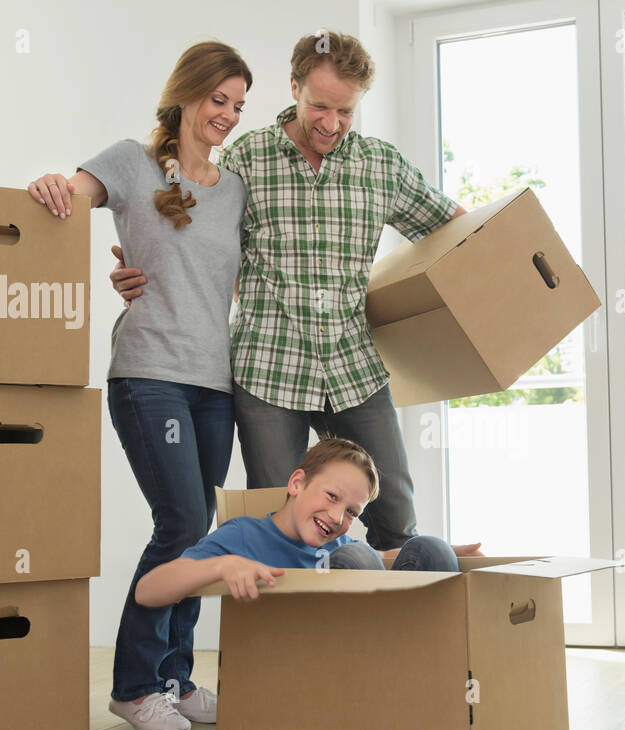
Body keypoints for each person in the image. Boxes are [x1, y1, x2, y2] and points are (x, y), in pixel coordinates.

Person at [109, 30, 481, 558]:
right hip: (268, 369)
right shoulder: (246, 159)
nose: (331, 124)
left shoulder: (381, 165)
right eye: (319, 106)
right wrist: (137, 272)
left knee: (396, 518)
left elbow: (453, 231)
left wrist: (505, 267)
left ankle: (394, 629)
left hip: (354, 366)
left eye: (346, 112)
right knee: (277, 531)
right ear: (294, 87)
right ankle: (289, 638)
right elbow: (190, 238)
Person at [27, 41, 252, 730]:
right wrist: (54, 186)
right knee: (180, 518)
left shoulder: (235, 187)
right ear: (185, 96)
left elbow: (225, 281)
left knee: (201, 530)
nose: (226, 116)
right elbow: (77, 195)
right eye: (217, 100)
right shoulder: (131, 159)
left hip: (215, 381)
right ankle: (132, 685)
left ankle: (176, 678)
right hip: (150, 372)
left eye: (238, 106)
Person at [135, 437, 461, 607]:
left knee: (430, 548)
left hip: (368, 650)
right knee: (358, 558)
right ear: (296, 484)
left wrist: (439, 552)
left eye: (352, 512)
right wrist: (224, 566)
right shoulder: (244, 536)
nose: (337, 517)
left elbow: (382, 559)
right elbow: (148, 592)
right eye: (332, 496)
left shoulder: (338, 547)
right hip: (297, 660)